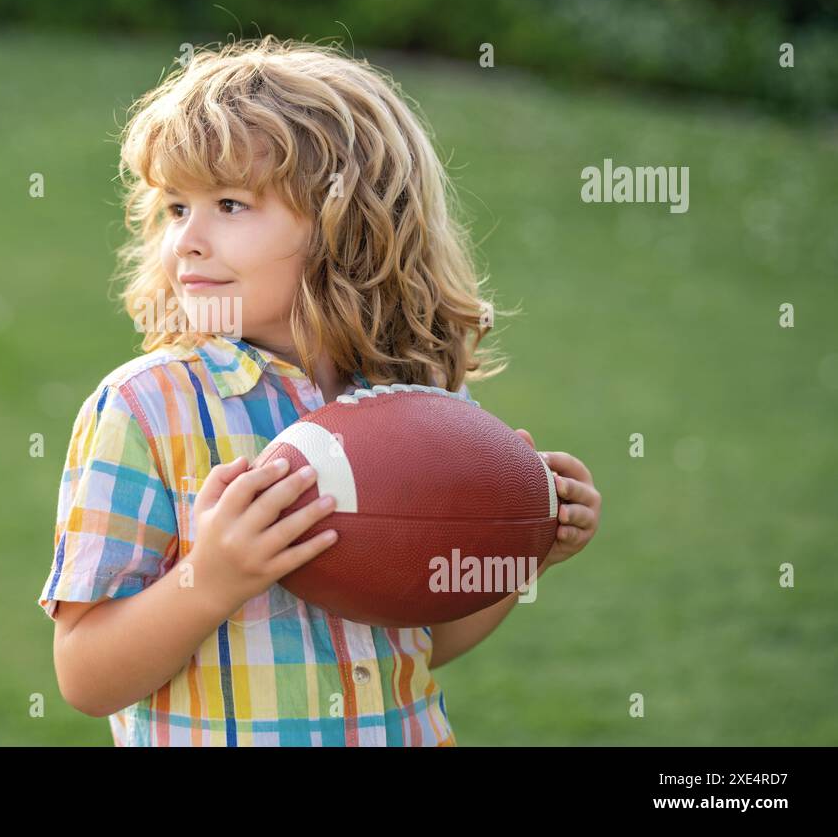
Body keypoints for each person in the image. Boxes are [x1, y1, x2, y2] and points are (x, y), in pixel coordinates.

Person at [37, 36, 602, 746]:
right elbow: (86, 674)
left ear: (349, 225)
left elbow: (420, 635)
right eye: (177, 208)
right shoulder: (147, 408)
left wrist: (519, 550)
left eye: (232, 205)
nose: (188, 240)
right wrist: (209, 581)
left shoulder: (420, 409)